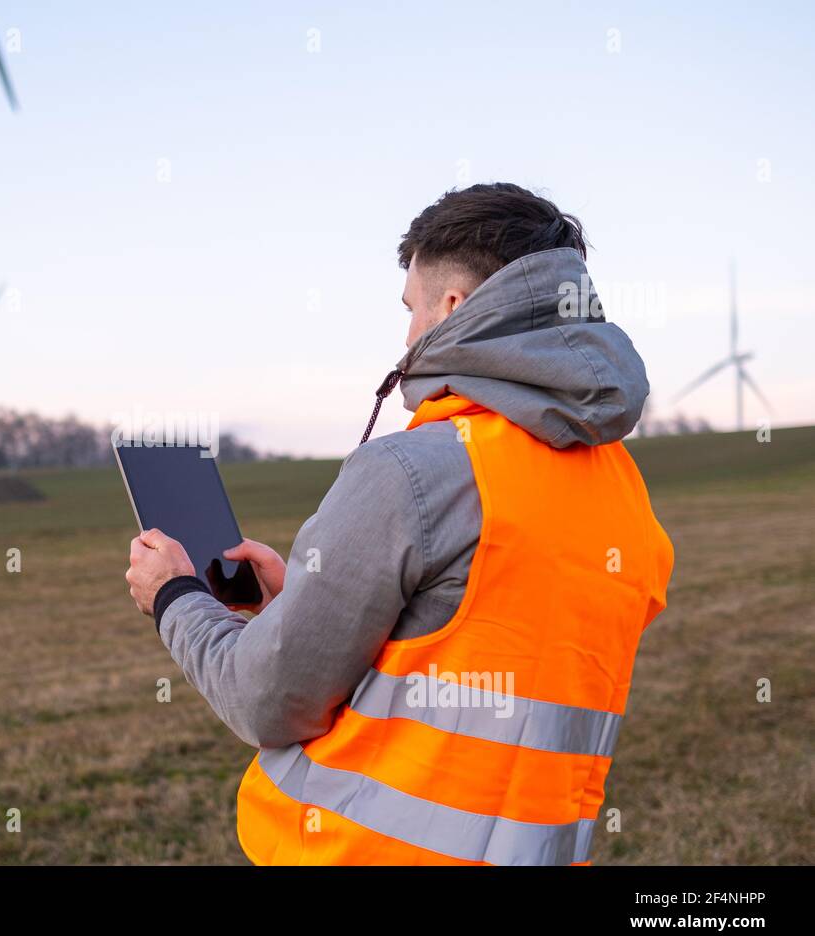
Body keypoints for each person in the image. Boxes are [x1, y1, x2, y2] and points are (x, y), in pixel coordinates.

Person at [123, 182, 675, 865]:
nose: (408, 334)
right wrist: (308, 601)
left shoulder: (415, 471)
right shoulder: (623, 492)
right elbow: (483, 644)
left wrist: (175, 596)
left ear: (451, 307)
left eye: (411, 308)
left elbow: (265, 701)